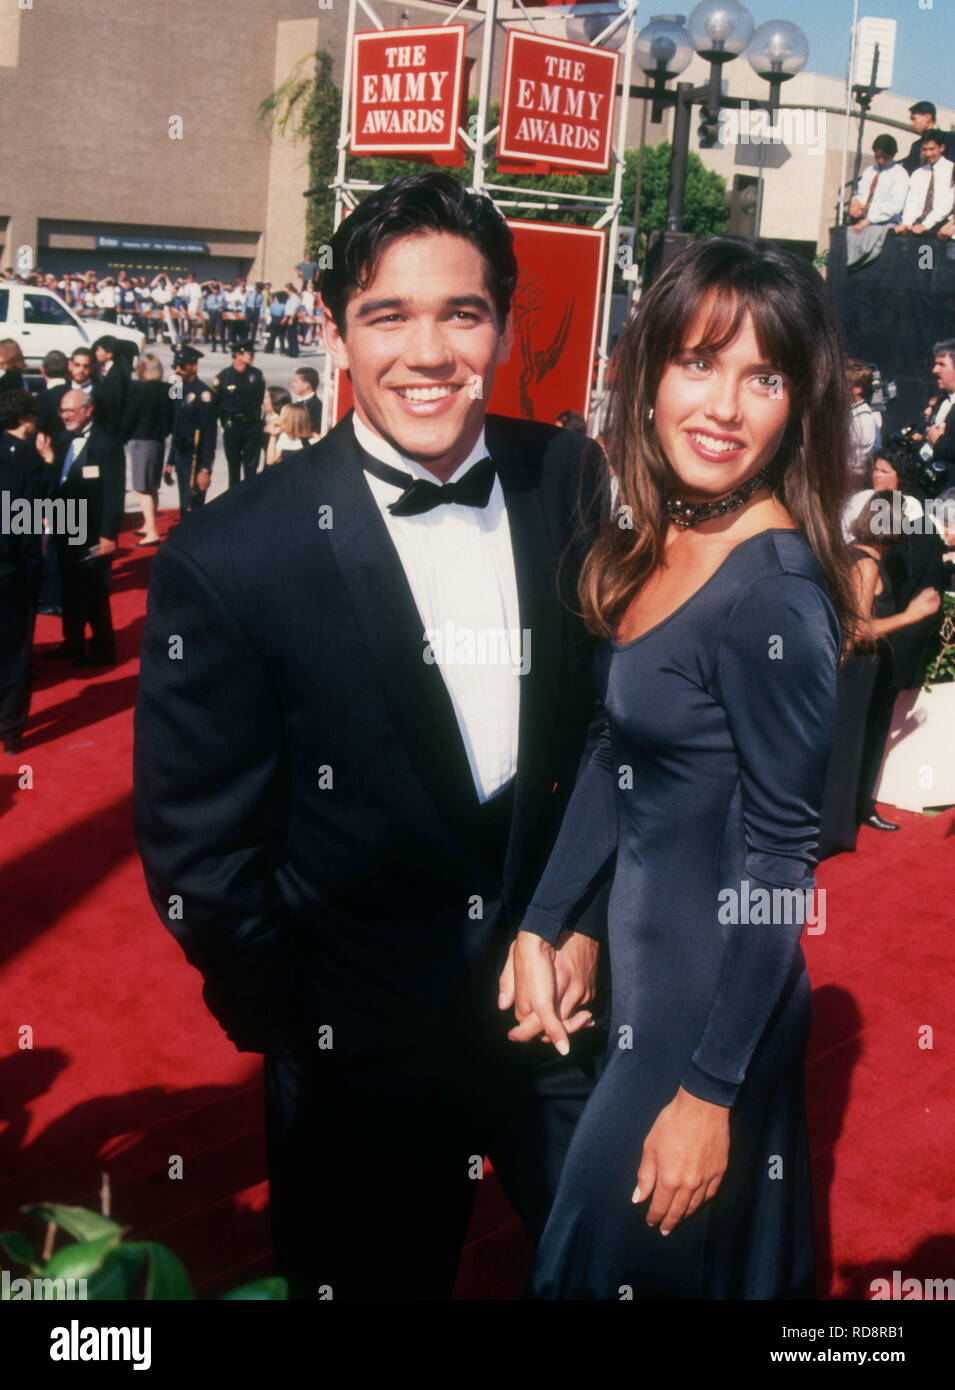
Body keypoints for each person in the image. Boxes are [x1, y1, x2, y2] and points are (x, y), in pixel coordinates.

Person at [134, 170, 611, 1302]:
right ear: (335, 327)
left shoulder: (570, 478)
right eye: (387, 314)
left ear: (502, 322)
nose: (427, 351)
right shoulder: (235, 554)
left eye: (461, 312)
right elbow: (202, 857)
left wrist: (579, 922)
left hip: (562, 1019)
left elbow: (610, 727)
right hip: (359, 1064)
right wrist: (304, 1026)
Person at [505, 236, 857, 1300]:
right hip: (645, 983)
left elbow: (781, 861)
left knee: (592, 1270)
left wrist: (709, 1091)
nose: (724, 405)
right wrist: (549, 916)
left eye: (764, 376)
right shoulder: (668, 535)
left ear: (798, 404)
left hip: (704, 1016)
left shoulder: (772, 593)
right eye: (699, 362)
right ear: (648, 370)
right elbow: (619, 748)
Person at [819, 491, 941, 853]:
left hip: (858, 671)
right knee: (842, 750)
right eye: (900, 516)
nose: (907, 522)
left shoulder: (855, 555)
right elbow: (857, 631)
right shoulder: (866, 565)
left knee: (844, 749)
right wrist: (912, 614)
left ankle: (832, 829)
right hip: (854, 670)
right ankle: (828, 836)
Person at [37, 390, 125, 667]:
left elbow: (114, 494)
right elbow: (59, 481)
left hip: (92, 530)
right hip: (64, 525)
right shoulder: (62, 438)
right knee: (68, 587)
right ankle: (72, 642)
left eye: (70, 411)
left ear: (88, 410)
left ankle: (103, 648)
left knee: (94, 591)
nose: (65, 416)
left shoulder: (107, 444)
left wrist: (108, 535)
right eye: (62, 411)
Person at [0, 432, 41, 754]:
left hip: (10, 574)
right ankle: (11, 734)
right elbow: (27, 536)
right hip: (10, 578)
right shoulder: (16, 475)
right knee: (14, 655)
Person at [122, 352, 173, 547]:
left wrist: (122, 434)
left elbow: (131, 415)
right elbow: (171, 414)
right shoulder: (167, 388)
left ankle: (151, 531)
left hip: (141, 440)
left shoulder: (138, 389)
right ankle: (147, 524)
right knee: (151, 485)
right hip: (158, 440)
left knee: (141, 487)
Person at [163, 347, 216, 520]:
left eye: (182, 366)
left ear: (194, 366)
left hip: (196, 456)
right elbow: (175, 427)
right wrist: (170, 461)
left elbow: (209, 436)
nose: (177, 370)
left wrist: (205, 469)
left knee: (193, 503)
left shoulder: (204, 394)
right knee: (183, 500)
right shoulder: (176, 387)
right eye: (175, 366)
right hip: (181, 453)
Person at [212, 340, 265, 487]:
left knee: (251, 467)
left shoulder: (256, 375)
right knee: (233, 467)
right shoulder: (224, 377)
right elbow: (217, 405)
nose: (252, 356)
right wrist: (225, 424)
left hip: (252, 425)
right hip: (232, 425)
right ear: (238, 354)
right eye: (249, 353)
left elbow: (259, 399)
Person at [893, 132, 954, 238]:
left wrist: (926, 225)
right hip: (917, 227)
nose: (928, 154)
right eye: (925, 149)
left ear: (942, 147)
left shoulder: (951, 170)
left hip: (940, 228)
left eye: (932, 149)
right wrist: (906, 223)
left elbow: (946, 204)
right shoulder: (918, 174)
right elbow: (912, 202)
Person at [848, 135, 909, 230]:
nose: (881, 160)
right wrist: (855, 201)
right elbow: (861, 193)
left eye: (885, 157)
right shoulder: (869, 171)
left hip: (884, 222)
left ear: (893, 155)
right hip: (862, 220)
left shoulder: (900, 174)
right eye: (878, 156)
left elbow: (896, 206)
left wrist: (869, 220)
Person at [91, 335, 129, 441]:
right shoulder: (99, 368)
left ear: (109, 354)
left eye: (99, 350)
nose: (96, 353)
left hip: (110, 423)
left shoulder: (117, 374)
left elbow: (116, 401)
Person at [900, 101, 955, 175]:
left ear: (928, 117)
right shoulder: (916, 146)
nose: (912, 123)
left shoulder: (950, 139)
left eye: (914, 119)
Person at [266, 402, 316, 466]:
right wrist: (273, 435)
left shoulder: (312, 440)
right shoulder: (285, 437)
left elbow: (270, 461)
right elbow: (270, 460)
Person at [289, 367, 322, 432]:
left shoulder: (313, 406)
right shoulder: (303, 402)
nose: (292, 384)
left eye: (295, 381)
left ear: (307, 385)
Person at [282, 283, 301, 358]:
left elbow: (295, 309)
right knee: (289, 335)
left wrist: (291, 319)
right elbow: (287, 309)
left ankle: (295, 351)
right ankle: (290, 350)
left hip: (292, 317)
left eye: (286, 289)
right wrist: (285, 318)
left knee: (293, 335)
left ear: (289, 289)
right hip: (288, 316)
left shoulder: (295, 298)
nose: (285, 291)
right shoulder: (289, 298)